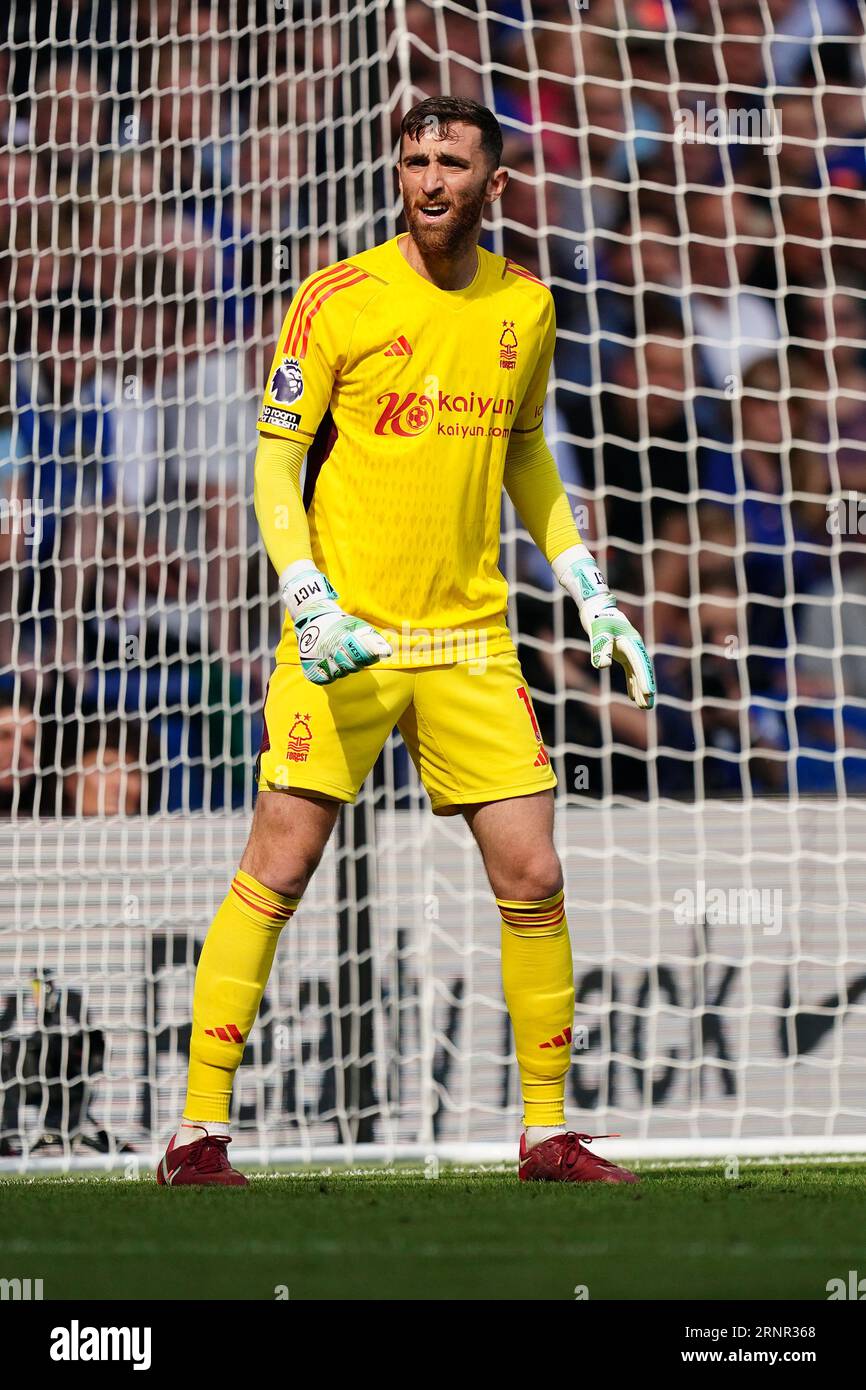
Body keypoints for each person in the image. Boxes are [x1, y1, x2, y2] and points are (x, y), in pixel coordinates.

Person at [157, 97, 655, 1189]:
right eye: (414, 160)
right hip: (344, 634)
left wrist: (586, 589)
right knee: (279, 864)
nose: (428, 179)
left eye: (451, 162)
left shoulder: (528, 306)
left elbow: (525, 454)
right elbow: (274, 462)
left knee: (532, 868)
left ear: (495, 185)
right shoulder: (335, 297)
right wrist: (306, 596)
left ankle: (544, 1134)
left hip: (471, 635)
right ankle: (196, 1135)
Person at [0, 969, 107, 1157]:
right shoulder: (25, 1024)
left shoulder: (68, 1014)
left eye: (42, 988)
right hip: (38, 1086)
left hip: (68, 1082)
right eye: (35, 988)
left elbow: (92, 1043)